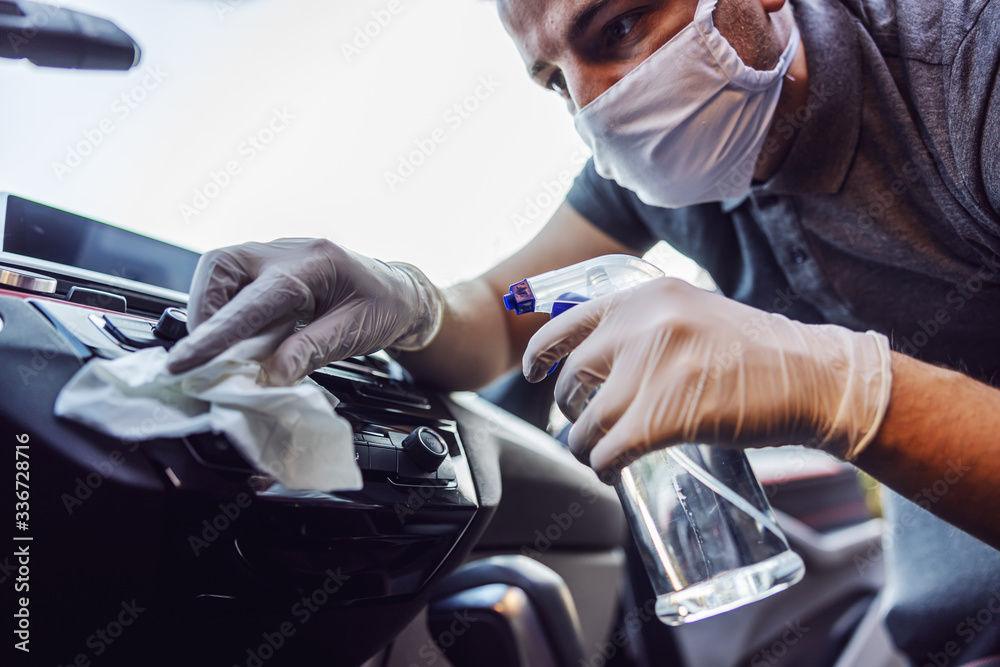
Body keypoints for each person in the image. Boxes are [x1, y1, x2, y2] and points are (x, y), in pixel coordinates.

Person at [167, 0, 1000, 662]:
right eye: (558, 84)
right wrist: (410, 300)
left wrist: (845, 390)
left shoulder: (969, 71)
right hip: (933, 611)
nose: (598, 111)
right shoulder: (672, 165)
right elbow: (503, 311)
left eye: (620, 26)